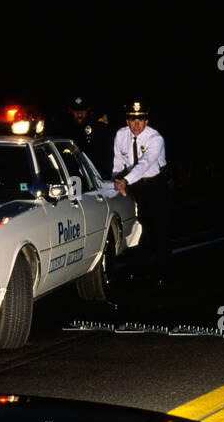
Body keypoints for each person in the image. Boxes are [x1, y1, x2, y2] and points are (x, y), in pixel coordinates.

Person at [111, 101, 173, 288]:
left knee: (159, 228)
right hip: (132, 185)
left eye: (140, 119)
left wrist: (125, 181)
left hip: (154, 185)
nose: (136, 124)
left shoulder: (155, 138)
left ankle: (163, 273)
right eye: (132, 119)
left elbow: (144, 164)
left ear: (146, 120)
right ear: (127, 120)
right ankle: (138, 271)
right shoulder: (121, 135)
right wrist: (115, 182)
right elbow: (118, 162)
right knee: (137, 227)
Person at [63, 95, 114, 178]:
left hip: (96, 177)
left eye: (83, 110)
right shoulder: (64, 129)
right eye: (76, 110)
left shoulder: (99, 128)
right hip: (72, 177)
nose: (79, 114)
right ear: (70, 110)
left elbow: (107, 157)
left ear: (88, 109)